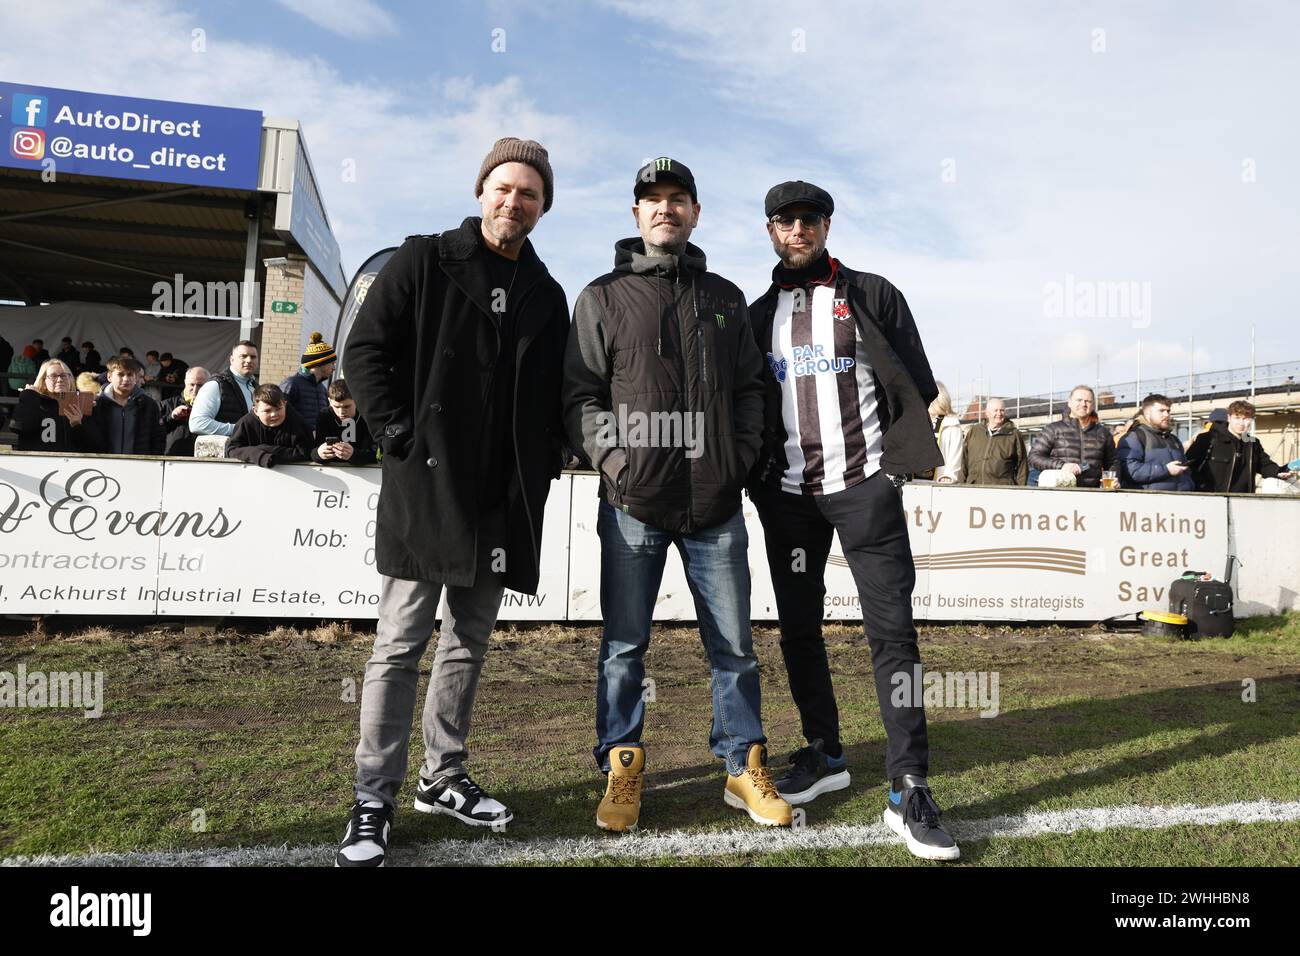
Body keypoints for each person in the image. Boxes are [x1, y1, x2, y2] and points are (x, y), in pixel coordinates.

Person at [338, 137, 570, 867]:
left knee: (469, 642)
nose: (514, 201)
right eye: (504, 187)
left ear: (543, 206)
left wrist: (555, 452)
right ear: (481, 191)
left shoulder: (547, 291)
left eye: (529, 193)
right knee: (400, 645)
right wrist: (397, 433)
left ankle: (444, 777)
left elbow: (553, 393)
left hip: (502, 498)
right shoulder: (423, 257)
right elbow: (364, 351)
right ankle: (374, 797)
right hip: (427, 483)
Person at [564, 156, 789, 834]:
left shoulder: (723, 296)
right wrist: (618, 461)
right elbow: (580, 396)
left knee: (736, 648)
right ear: (636, 214)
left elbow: (753, 389)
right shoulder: (602, 296)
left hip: (717, 503)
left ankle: (741, 765)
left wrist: (742, 455)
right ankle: (623, 764)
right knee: (625, 646)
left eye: (678, 199)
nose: (665, 209)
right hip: (634, 505)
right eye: (652, 200)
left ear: (695, 212)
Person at [745, 180, 958, 860]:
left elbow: (917, 384)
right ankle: (826, 752)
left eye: (808, 220)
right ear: (770, 230)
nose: (797, 231)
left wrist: (890, 472)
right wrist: (758, 480)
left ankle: (909, 784)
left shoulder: (872, 293)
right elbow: (746, 405)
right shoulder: (756, 315)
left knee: (893, 633)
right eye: (784, 221)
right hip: (788, 498)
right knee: (800, 632)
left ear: (826, 225)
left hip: (864, 490)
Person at [1186, 400, 1291, 493]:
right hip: (1211, 500)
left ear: (1251, 420)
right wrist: (1202, 486)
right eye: (1237, 418)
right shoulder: (1208, 439)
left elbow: (1266, 466)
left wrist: (1281, 471)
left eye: (1246, 419)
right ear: (1229, 418)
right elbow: (1189, 465)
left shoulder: (1253, 442)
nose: (1241, 423)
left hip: (1243, 502)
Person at [1029, 385, 1116, 487]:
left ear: (1093, 405)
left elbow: (1113, 462)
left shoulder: (1103, 433)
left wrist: (1113, 479)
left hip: (1091, 494)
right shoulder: (1053, 429)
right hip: (1060, 493)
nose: (1083, 404)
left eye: (1088, 401)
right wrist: (1062, 466)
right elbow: (1034, 457)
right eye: (1079, 400)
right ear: (1069, 402)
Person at [10, 359, 98, 453]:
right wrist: (29, 395)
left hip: (73, 465)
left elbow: (96, 446)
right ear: (43, 381)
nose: (59, 379)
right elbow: (19, 426)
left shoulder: (82, 404)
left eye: (64, 375)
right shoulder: (34, 402)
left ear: (70, 379)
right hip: (39, 464)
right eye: (53, 376)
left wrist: (78, 425)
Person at [85, 356, 165, 455]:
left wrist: (150, 463)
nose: (126, 379)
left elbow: (159, 437)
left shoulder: (149, 404)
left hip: (139, 466)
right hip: (103, 467)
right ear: (109, 377)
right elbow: (88, 438)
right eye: (121, 374)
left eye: (130, 374)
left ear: (135, 377)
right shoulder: (96, 404)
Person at [226, 384, 314, 467]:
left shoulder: (298, 422)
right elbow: (232, 450)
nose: (274, 414)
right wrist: (259, 455)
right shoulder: (246, 424)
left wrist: (266, 450)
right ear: (255, 410)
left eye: (278, 409)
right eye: (267, 411)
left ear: (285, 404)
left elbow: (306, 452)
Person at [1118, 393, 1192, 491]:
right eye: (1161, 411)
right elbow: (1132, 471)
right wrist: (1166, 470)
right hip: (1151, 501)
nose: (1167, 415)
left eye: (1168, 411)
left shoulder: (1173, 439)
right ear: (1147, 413)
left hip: (1181, 499)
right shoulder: (1134, 437)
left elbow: (1186, 471)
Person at [190, 341, 258, 438]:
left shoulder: (257, 388)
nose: (249, 360)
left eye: (253, 357)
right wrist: (239, 430)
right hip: (226, 451)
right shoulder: (215, 385)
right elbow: (197, 423)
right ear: (232, 359)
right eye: (243, 356)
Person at [961, 397, 1028, 485]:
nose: (999, 414)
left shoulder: (1013, 435)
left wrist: (1020, 490)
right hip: (974, 487)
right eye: (995, 410)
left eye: (1002, 410)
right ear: (987, 413)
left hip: (1002, 490)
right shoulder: (975, 431)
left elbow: (1022, 465)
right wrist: (962, 484)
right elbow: (964, 460)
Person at [312, 379, 377, 465]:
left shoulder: (366, 416)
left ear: (356, 400)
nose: (341, 412)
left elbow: (376, 454)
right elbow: (313, 451)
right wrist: (319, 454)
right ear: (329, 401)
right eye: (336, 407)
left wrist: (354, 454)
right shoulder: (324, 415)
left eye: (347, 406)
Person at [280, 332, 336, 425]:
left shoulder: (322, 389)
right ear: (320, 363)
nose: (334, 368)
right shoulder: (290, 384)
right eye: (332, 363)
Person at [160, 366, 211, 457]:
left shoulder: (216, 406)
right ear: (185, 383)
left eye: (200, 385)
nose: (195, 389)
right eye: (192, 384)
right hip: (171, 459)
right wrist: (171, 417)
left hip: (204, 459)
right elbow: (154, 431)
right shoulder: (167, 404)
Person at [930, 381, 965, 483]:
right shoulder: (919, 421)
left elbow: (955, 453)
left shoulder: (952, 424)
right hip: (916, 480)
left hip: (941, 480)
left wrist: (950, 475)